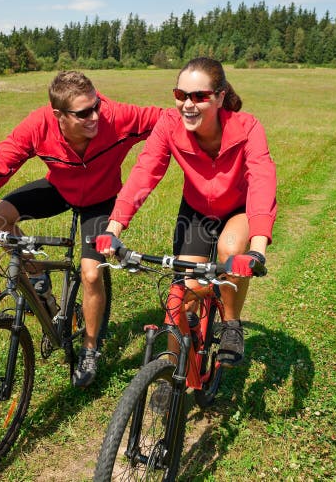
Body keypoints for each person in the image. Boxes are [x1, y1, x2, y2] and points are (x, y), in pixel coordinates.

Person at [0, 70, 164, 387]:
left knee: (91, 273)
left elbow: (170, 121)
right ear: (58, 115)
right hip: (60, 189)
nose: (95, 116)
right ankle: (39, 281)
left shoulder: (115, 116)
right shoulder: (39, 125)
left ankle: (90, 348)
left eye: (96, 106)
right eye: (83, 112)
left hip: (101, 201)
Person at [96, 57, 277, 366]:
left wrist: (257, 250)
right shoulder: (169, 124)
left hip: (238, 209)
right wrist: (113, 230)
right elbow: (144, 173)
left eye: (199, 96)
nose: (188, 105)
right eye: (181, 95)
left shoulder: (247, 127)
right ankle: (169, 374)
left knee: (231, 249)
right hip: (196, 212)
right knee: (182, 295)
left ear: (220, 97)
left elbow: (261, 180)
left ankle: (231, 324)